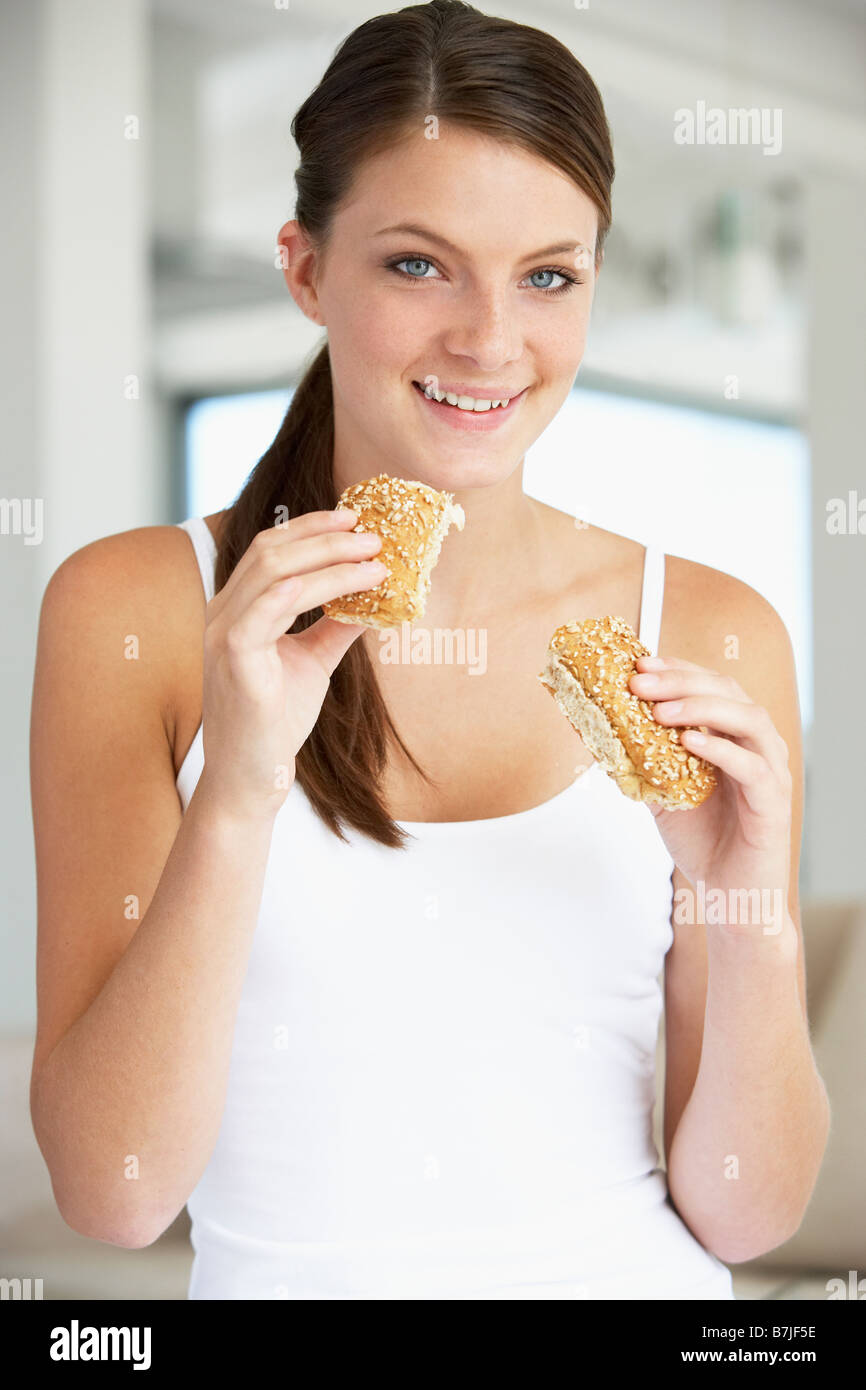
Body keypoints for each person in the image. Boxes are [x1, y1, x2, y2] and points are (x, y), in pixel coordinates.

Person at [29, 0, 828, 1300]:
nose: (488, 340)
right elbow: (116, 1188)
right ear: (303, 268)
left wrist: (748, 913)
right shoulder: (141, 611)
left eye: (546, 275)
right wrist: (236, 792)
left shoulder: (708, 627)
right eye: (416, 264)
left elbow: (742, 1214)